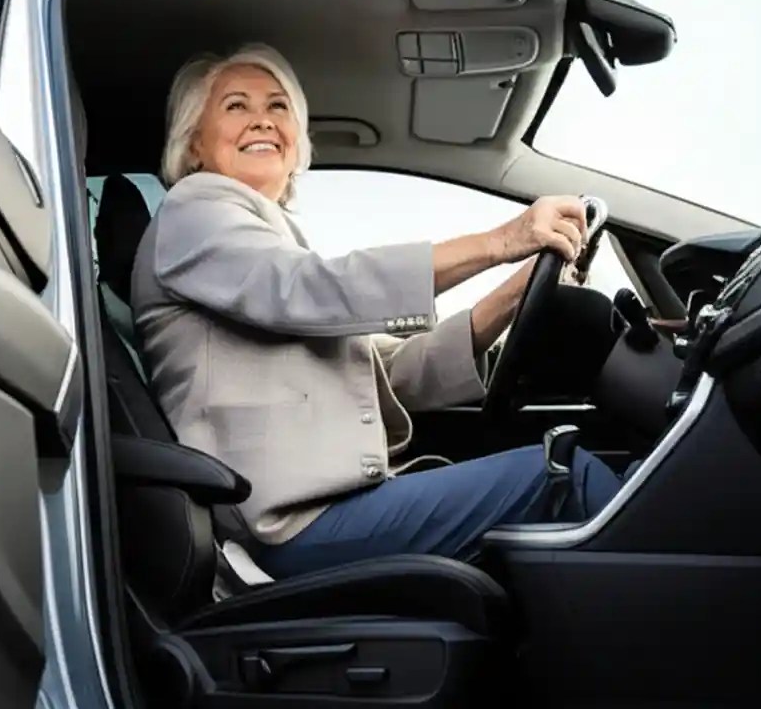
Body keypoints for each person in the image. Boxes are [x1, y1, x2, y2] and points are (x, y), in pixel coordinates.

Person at [129, 43, 623, 579]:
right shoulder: (193, 209)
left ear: (297, 144)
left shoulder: (263, 242)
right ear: (194, 146)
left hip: (316, 510)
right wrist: (502, 240)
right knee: (567, 476)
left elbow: (390, 373)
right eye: (236, 106)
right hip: (286, 524)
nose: (263, 122)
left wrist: (520, 288)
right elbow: (309, 288)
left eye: (278, 107)